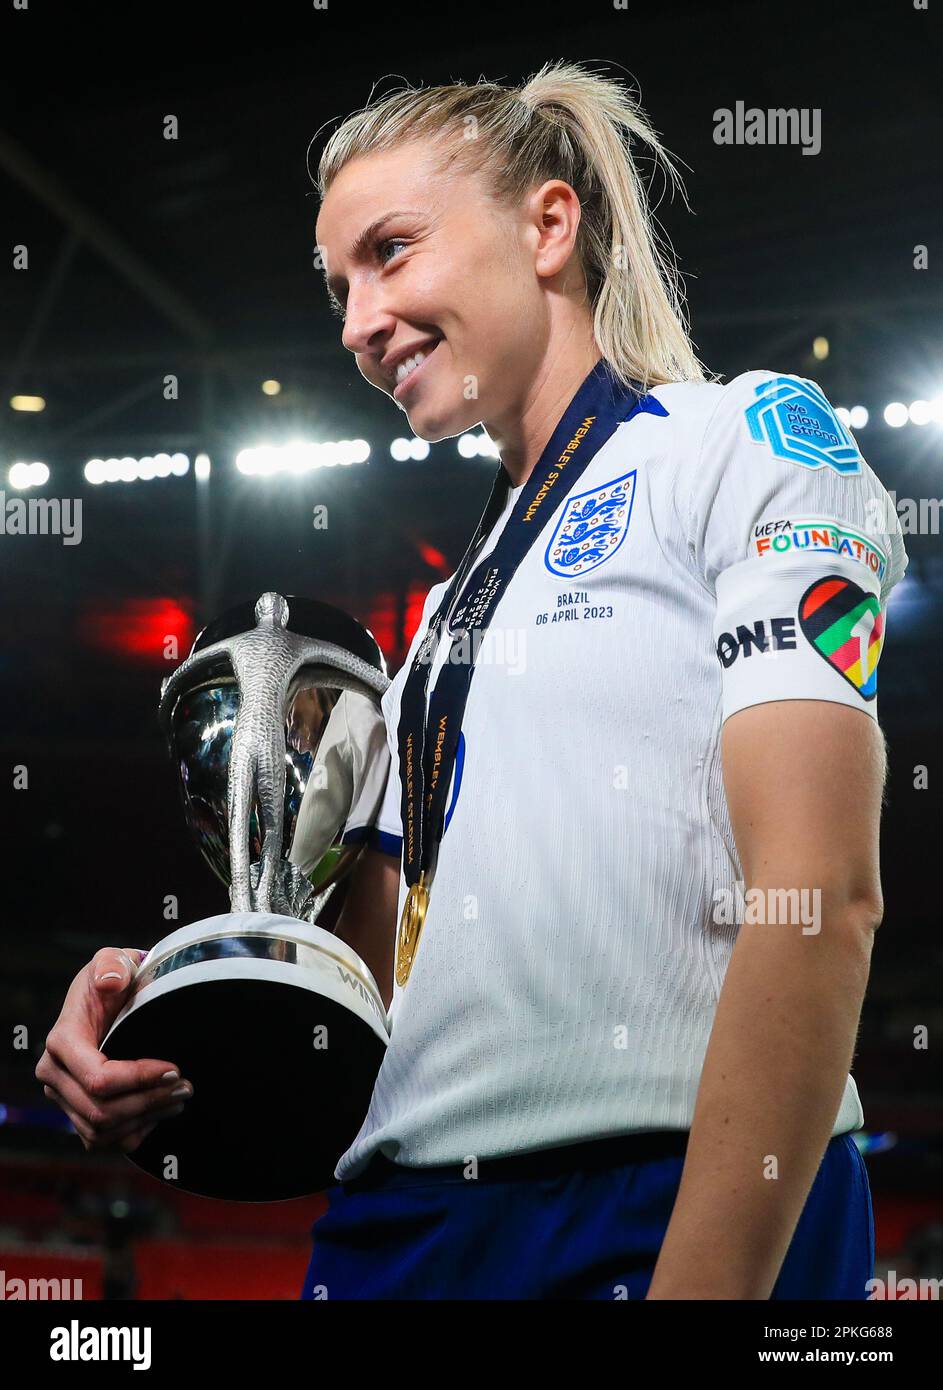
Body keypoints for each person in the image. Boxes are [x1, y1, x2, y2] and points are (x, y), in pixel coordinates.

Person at [38, 60, 907, 1301]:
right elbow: (373, 982)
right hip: (396, 1226)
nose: (353, 321)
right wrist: (156, 999)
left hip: (654, 1195)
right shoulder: (444, 607)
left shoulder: (748, 441)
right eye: (338, 286)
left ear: (549, 226)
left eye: (389, 253)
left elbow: (818, 890)